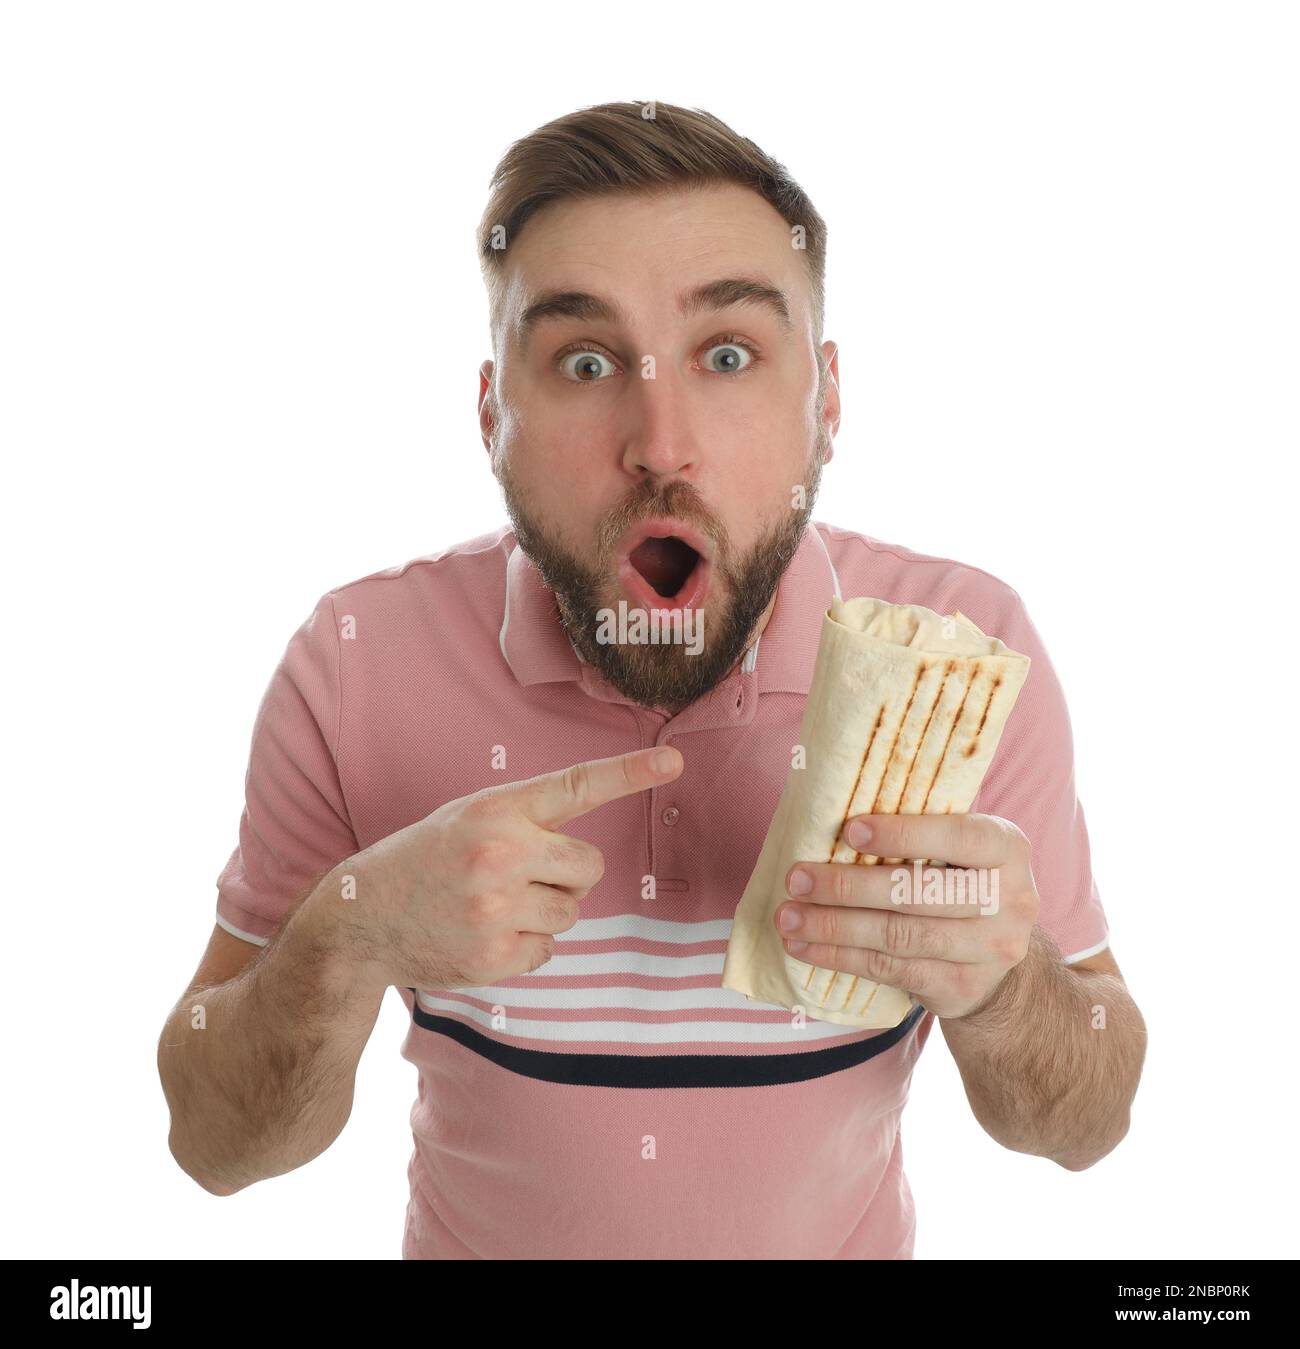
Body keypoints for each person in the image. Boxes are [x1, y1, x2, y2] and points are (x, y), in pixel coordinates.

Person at [157, 100, 1146, 1260]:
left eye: (727, 353)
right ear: (492, 416)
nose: (660, 441)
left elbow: (1086, 1123)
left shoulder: (967, 644)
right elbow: (215, 1145)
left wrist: (1006, 988)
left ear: (826, 402)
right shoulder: (354, 662)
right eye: (583, 360)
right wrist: (350, 932)